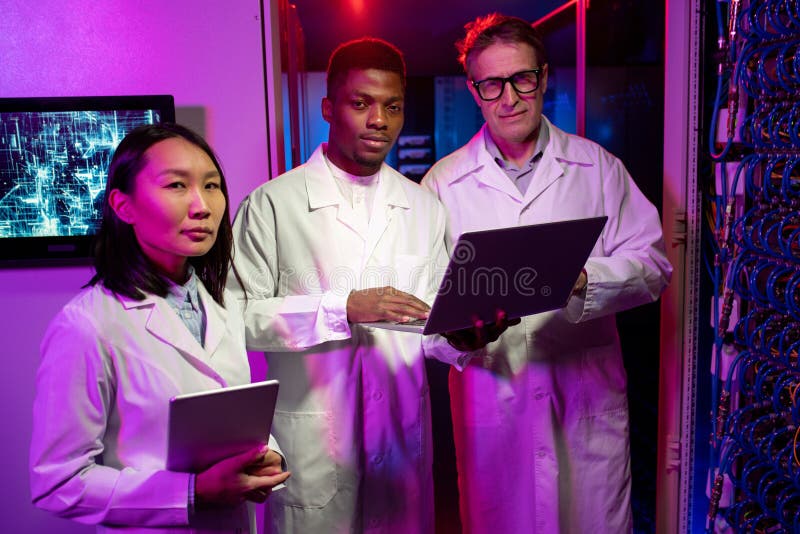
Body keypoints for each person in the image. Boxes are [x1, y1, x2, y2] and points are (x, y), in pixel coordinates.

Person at [228, 37, 499, 533]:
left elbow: (430, 324)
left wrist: (463, 335)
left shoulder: (422, 207)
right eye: (361, 103)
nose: (380, 121)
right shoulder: (272, 205)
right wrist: (342, 308)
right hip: (313, 449)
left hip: (400, 444)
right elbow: (236, 318)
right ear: (329, 107)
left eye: (393, 106)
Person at [421, 13, 673, 533]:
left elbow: (654, 264)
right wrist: (459, 336)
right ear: (475, 91)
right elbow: (424, 311)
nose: (508, 98)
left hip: (584, 406)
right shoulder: (444, 184)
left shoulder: (596, 167)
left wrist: (582, 280)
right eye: (492, 84)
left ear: (544, 75)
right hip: (495, 409)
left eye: (522, 78)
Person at [29, 123, 290, 533]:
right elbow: (57, 482)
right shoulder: (87, 325)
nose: (202, 206)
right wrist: (192, 492)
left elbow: (221, 418)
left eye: (212, 186)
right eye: (176, 186)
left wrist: (266, 454)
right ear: (123, 205)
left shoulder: (218, 304)